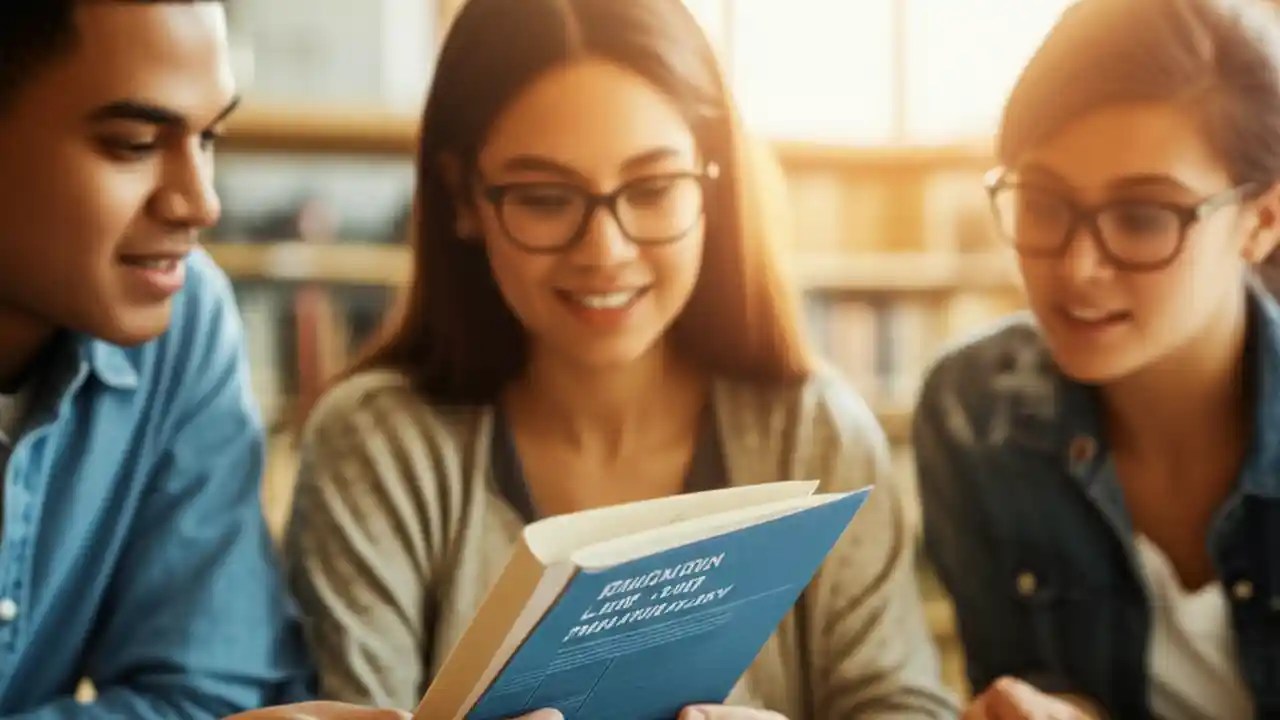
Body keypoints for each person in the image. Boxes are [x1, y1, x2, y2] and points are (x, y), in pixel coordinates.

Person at [282, 0, 958, 717]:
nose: (605, 251)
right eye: (545, 198)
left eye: (654, 189)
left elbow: (903, 703)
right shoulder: (378, 448)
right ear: (463, 199)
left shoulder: (817, 434)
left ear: (714, 182)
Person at [914, 0, 1280, 717]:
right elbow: (1023, 678)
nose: (1078, 268)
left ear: (1261, 222)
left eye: (1144, 216)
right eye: (1044, 203)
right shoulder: (971, 412)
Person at [0, 1, 311, 717]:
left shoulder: (181, 315)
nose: (202, 203)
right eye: (134, 143)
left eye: (211, 136)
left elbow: (212, 691)